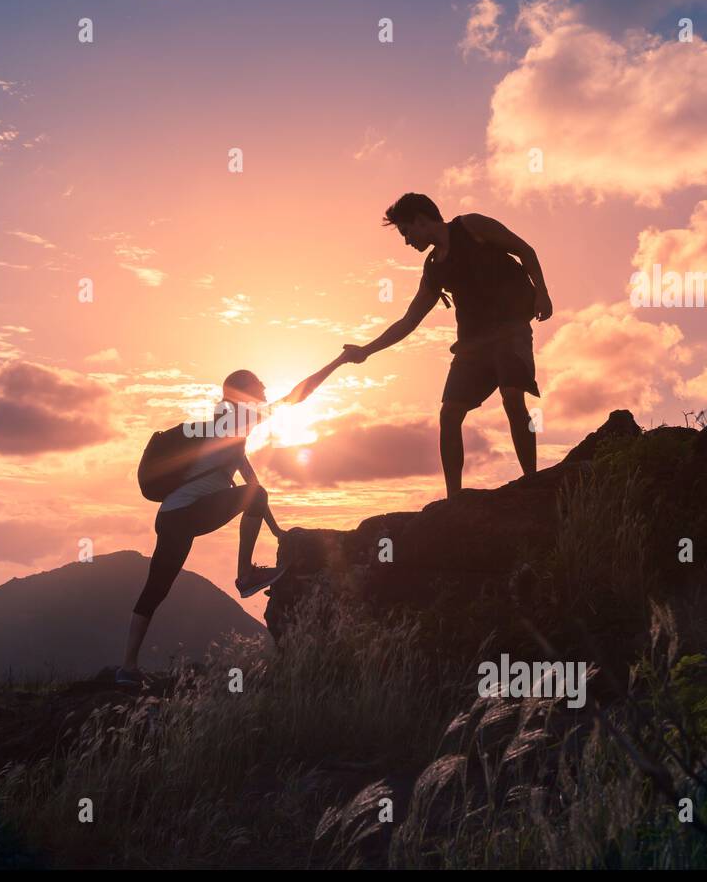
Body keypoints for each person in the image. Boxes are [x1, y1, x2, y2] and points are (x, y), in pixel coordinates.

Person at [118, 357, 344, 685]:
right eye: (259, 387)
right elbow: (297, 397)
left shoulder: (226, 428)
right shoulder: (237, 418)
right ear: (244, 394)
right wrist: (338, 361)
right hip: (186, 514)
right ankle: (245, 575)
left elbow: (251, 485)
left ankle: (127, 667)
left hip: (172, 515)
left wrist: (275, 528)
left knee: (155, 590)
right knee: (157, 588)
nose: (266, 392)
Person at [340, 193, 553, 498]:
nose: (406, 242)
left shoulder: (472, 226)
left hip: (510, 329)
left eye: (406, 232)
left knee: (512, 397)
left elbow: (524, 249)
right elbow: (408, 320)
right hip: (471, 346)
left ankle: (531, 482)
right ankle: (454, 499)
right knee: (449, 414)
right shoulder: (433, 268)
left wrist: (542, 293)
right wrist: (365, 351)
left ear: (421, 220)